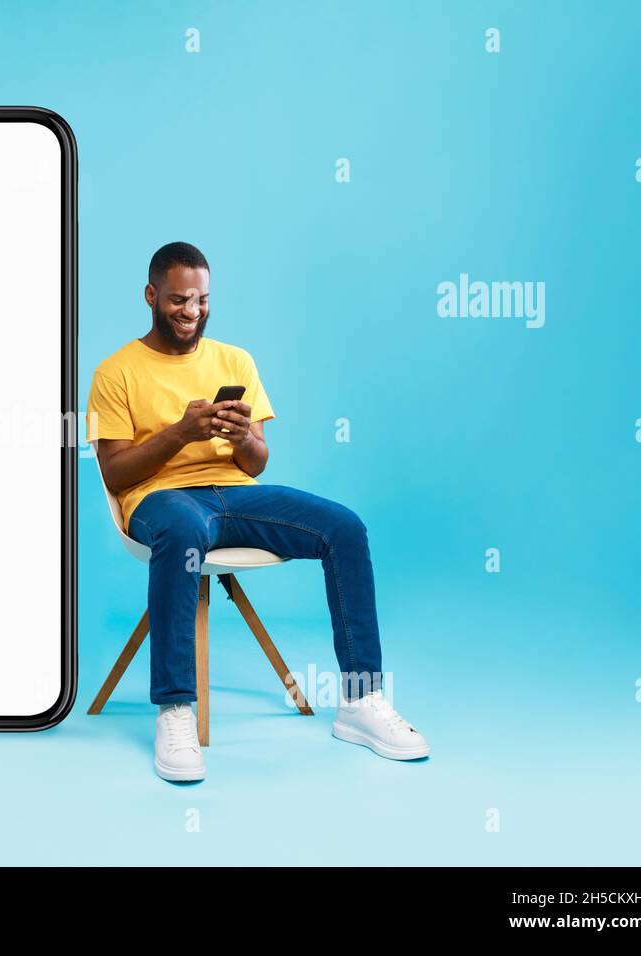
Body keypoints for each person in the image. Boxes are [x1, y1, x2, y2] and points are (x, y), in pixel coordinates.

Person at [87, 242, 430, 782]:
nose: (191, 311)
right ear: (151, 296)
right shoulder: (116, 372)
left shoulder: (235, 360)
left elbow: (255, 465)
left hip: (233, 495)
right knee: (180, 527)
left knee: (344, 527)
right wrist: (181, 432)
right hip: (163, 501)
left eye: (201, 300)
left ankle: (361, 703)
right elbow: (114, 474)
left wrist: (242, 434)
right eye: (178, 300)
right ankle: (177, 710)